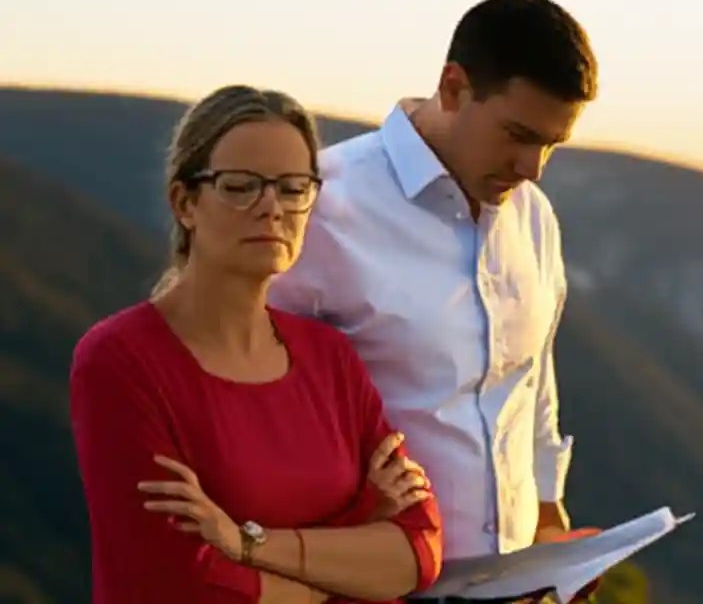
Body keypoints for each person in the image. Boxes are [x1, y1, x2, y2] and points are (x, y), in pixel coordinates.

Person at [266, 0, 600, 600]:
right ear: (453, 87)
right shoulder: (320, 208)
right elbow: (254, 417)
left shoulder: (534, 218)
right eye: (518, 135)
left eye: (553, 144)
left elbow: (531, 380)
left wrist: (550, 518)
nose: (533, 168)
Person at [69, 85, 445, 603]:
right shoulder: (120, 359)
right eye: (240, 185)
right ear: (185, 203)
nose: (271, 207)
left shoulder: (329, 358)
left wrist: (245, 544)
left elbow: (417, 551)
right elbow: (180, 581)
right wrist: (347, 551)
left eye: (293, 188)